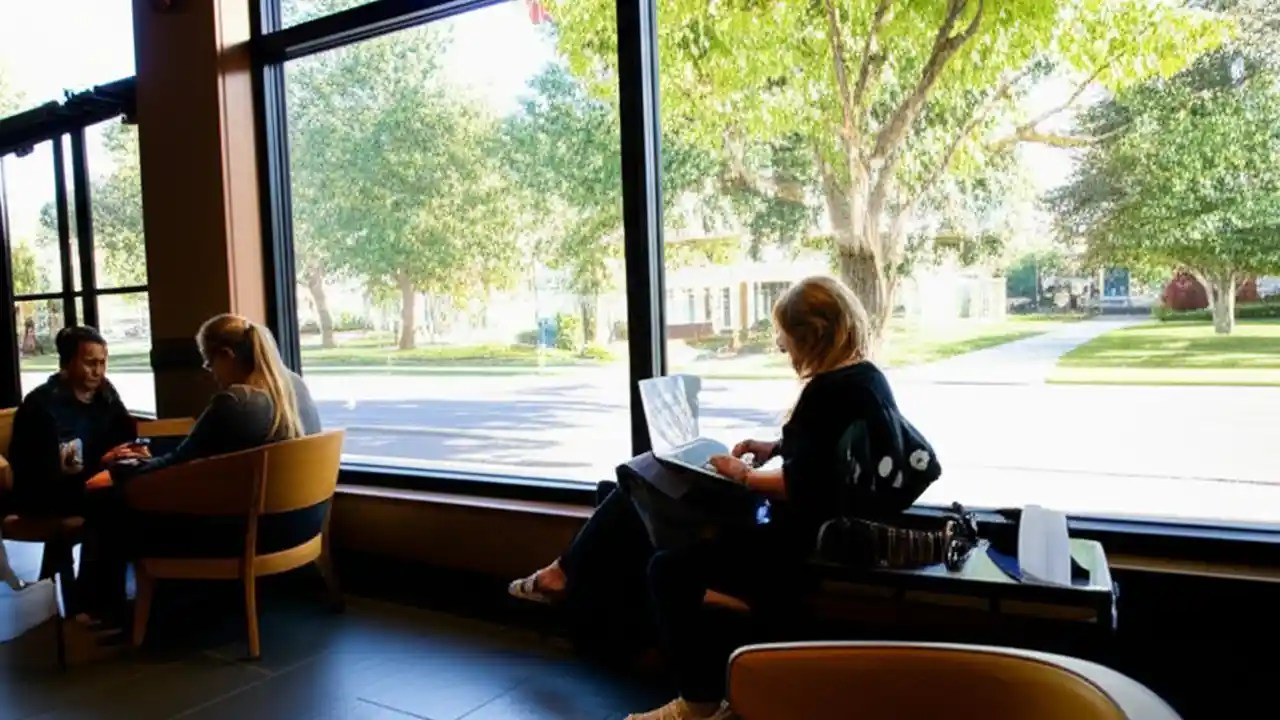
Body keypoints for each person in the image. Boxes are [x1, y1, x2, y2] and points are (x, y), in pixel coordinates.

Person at [508, 276, 900, 720]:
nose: (781, 349)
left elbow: (805, 484)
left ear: (811, 335)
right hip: (817, 528)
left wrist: (745, 475)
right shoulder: (864, 379)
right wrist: (775, 448)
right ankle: (574, 579)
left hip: (793, 539)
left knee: (664, 557)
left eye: (785, 339)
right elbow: (832, 455)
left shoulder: (828, 390)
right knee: (635, 492)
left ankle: (697, 701)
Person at [86, 314, 322, 623]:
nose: (210, 373)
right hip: (302, 524)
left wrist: (121, 470)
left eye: (209, 364)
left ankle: (105, 611)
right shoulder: (293, 385)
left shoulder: (236, 401)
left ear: (226, 355)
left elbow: (177, 463)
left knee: (111, 500)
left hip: (256, 534)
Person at [6, 326, 138, 620]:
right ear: (66, 363)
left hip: (92, 484)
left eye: (102, 362)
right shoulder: (42, 406)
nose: (98, 371)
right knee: (111, 506)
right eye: (90, 362)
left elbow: (126, 435)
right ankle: (97, 604)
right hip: (45, 492)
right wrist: (100, 462)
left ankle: (108, 600)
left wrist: (127, 454)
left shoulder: (106, 395)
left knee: (128, 497)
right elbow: (39, 470)